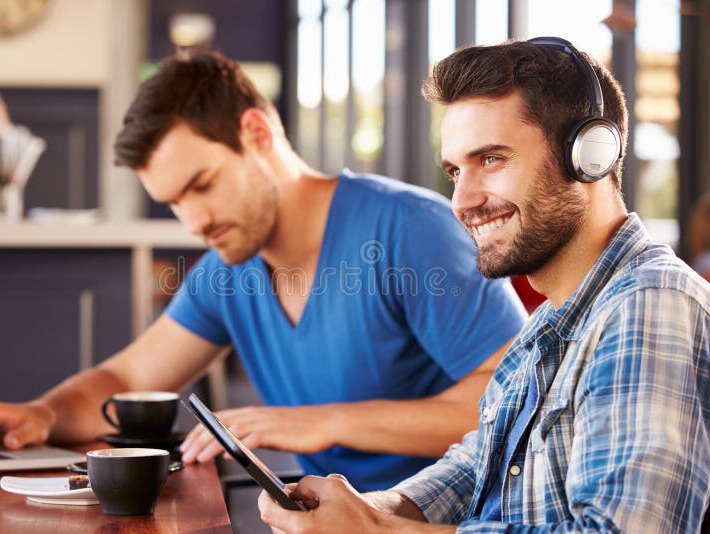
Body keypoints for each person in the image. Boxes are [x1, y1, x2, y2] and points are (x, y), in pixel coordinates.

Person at [0, 50, 527, 491]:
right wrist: (43, 414)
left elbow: (513, 402)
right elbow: (126, 378)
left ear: (257, 133)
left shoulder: (412, 230)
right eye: (174, 202)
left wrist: (321, 423)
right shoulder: (227, 270)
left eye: (201, 185)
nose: (193, 220)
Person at [259, 38, 710, 532]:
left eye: (491, 159)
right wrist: (377, 508)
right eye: (455, 170)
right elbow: (481, 463)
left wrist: (377, 531)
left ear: (590, 156)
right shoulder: (552, 320)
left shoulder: (648, 303)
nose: (462, 200)